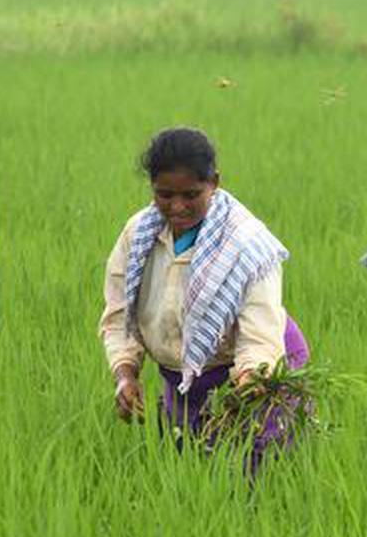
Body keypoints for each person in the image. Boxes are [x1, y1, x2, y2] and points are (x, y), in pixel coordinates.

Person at [99, 127, 310, 467]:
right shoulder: (138, 234)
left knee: (256, 475)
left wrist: (250, 382)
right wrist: (125, 374)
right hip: (184, 380)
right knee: (188, 472)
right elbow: (120, 313)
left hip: (258, 368)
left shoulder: (247, 243)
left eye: (191, 194)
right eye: (164, 195)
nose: (177, 207)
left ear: (215, 183)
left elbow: (260, 330)